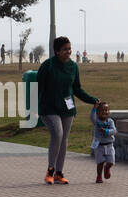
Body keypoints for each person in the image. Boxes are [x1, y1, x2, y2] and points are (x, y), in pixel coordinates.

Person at [36, 36, 99, 185]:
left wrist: (92, 100)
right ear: (57, 51)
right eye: (65, 49)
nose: (68, 52)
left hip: (67, 108)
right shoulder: (48, 66)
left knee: (64, 140)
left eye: (69, 49)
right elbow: (36, 87)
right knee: (57, 134)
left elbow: (77, 89)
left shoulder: (73, 67)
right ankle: (50, 171)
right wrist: (33, 109)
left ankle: (59, 173)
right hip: (49, 108)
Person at [91, 100, 117, 183]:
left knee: (111, 162)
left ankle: (107, 168)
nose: (104, 112)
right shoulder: (96, 121)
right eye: (102, 110)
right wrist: (94, 108)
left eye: (106, 110)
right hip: (99, 146)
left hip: (109, 145)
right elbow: (92, 117)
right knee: (100, 162)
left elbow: (114, 131)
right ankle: (99, 176)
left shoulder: (110, 121)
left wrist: (106, 131)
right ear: (98, 112)